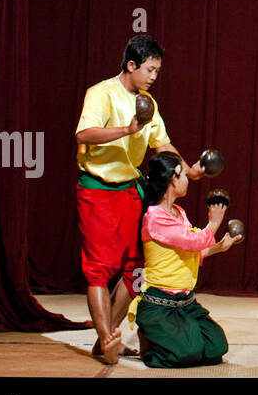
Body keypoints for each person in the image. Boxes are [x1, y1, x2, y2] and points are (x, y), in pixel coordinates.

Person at [74, 33, 206, 363]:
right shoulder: (101, 93)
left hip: (131, 191)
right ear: (131, 65)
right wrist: (128, 130)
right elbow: (83, 134)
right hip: (97, 189)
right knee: (98, 270)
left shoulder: (149, 102)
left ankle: (106, 339)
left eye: (158, 71)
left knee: (135, 269)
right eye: (149, 69)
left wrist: (189, 171)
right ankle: (107, 339)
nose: (153, 77)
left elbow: (162, 144)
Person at [134, 152, 241, 368]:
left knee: (215, 347)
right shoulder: (154, 216)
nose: (187, 181)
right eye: (184, 175)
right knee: (187, 353)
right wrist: (214, 223)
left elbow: (192, 252)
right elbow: (193, 241)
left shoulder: (179, 212)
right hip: (159, 304)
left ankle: (175, 337)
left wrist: (219, 247)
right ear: (173, 177)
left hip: (186, 303)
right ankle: (148, 342)